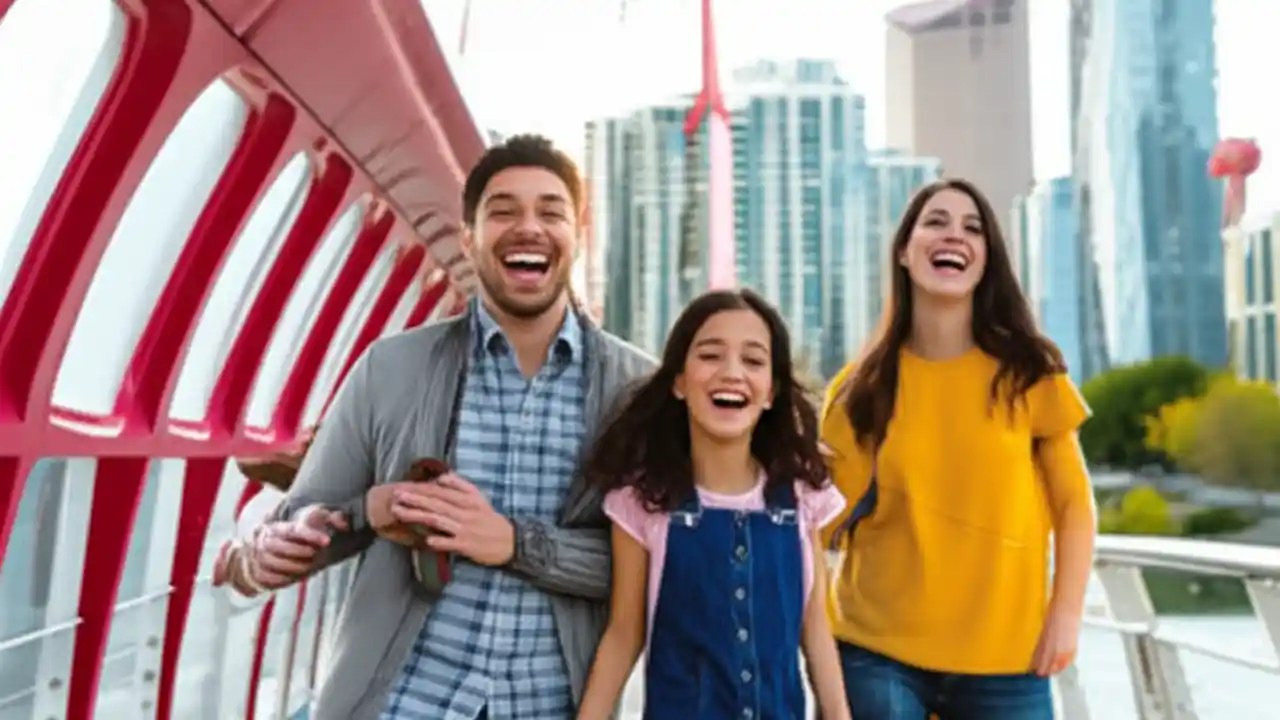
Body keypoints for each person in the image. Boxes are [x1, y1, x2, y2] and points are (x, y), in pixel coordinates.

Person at [236, 134, 655, 720]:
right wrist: (308, 529)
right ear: (468, 239)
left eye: (551, 211)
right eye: (503, 211)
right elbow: (306, 515)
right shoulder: (390, 367)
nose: (528, 227)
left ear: (577, 236)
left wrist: (515, 543)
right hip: (404, 704)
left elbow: (660, 566)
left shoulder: (640, 392)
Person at [820, 178, 1097, 719]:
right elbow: (823, 522)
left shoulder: (1029, 373)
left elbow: (1074, 506)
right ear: (905, 250)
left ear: (986, 259)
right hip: (876, 649)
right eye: (936, 222)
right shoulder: (859, 389)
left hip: (1006, 660)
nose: (954, 235)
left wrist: (1065, 615)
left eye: (972, 228)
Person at [575, 288, 852, 720]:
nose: (732, 372)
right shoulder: (643, 503)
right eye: (710, 355)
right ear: (679, 382)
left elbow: (815, 628)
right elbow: (623, 634)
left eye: (754, 360)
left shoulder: (800, 498)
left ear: (771, 392)